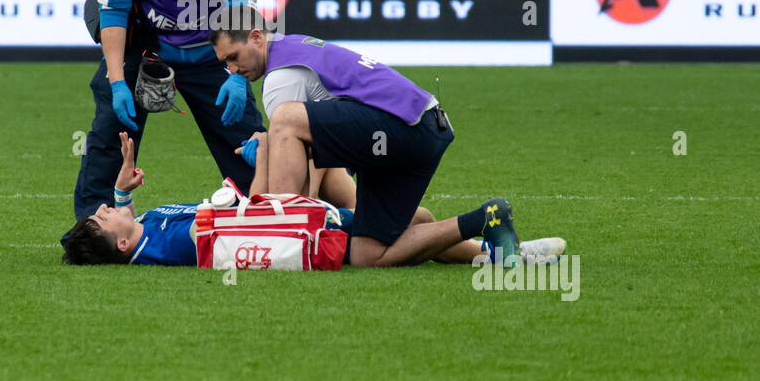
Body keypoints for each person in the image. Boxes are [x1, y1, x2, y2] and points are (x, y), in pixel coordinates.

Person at [70, 0, 266, 223]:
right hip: (148, 45)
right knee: (112, 130)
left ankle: (269, 213)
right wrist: (117, 84)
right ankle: (95, 226)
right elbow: (113, 7)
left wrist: (238, 75)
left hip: (211, 47)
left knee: (243, 136)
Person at [62, 131, 566, 268]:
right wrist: (256, 162)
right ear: (124, 246)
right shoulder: (167, 244)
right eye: (105, 218)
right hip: (295, 233)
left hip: (291, 220)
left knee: (421, 220)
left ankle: (498, 256)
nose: (105, 209)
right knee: (391, 240)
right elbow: (248, 219)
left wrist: (122, 187)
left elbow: (125, 211)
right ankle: (486, 222)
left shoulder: (146, 226)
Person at [211, 18, 480, 268]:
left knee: (284, 121)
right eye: (226, 64)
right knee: (368, 254)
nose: (233, 70)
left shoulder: (280, 78)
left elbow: (301, 147)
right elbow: (313, 145)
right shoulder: (291, 46)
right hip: (417, 129)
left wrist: (270, 162)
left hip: (405, 128)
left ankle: (286, 232)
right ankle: (490, 231)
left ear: (257, 38)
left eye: (234, 57)